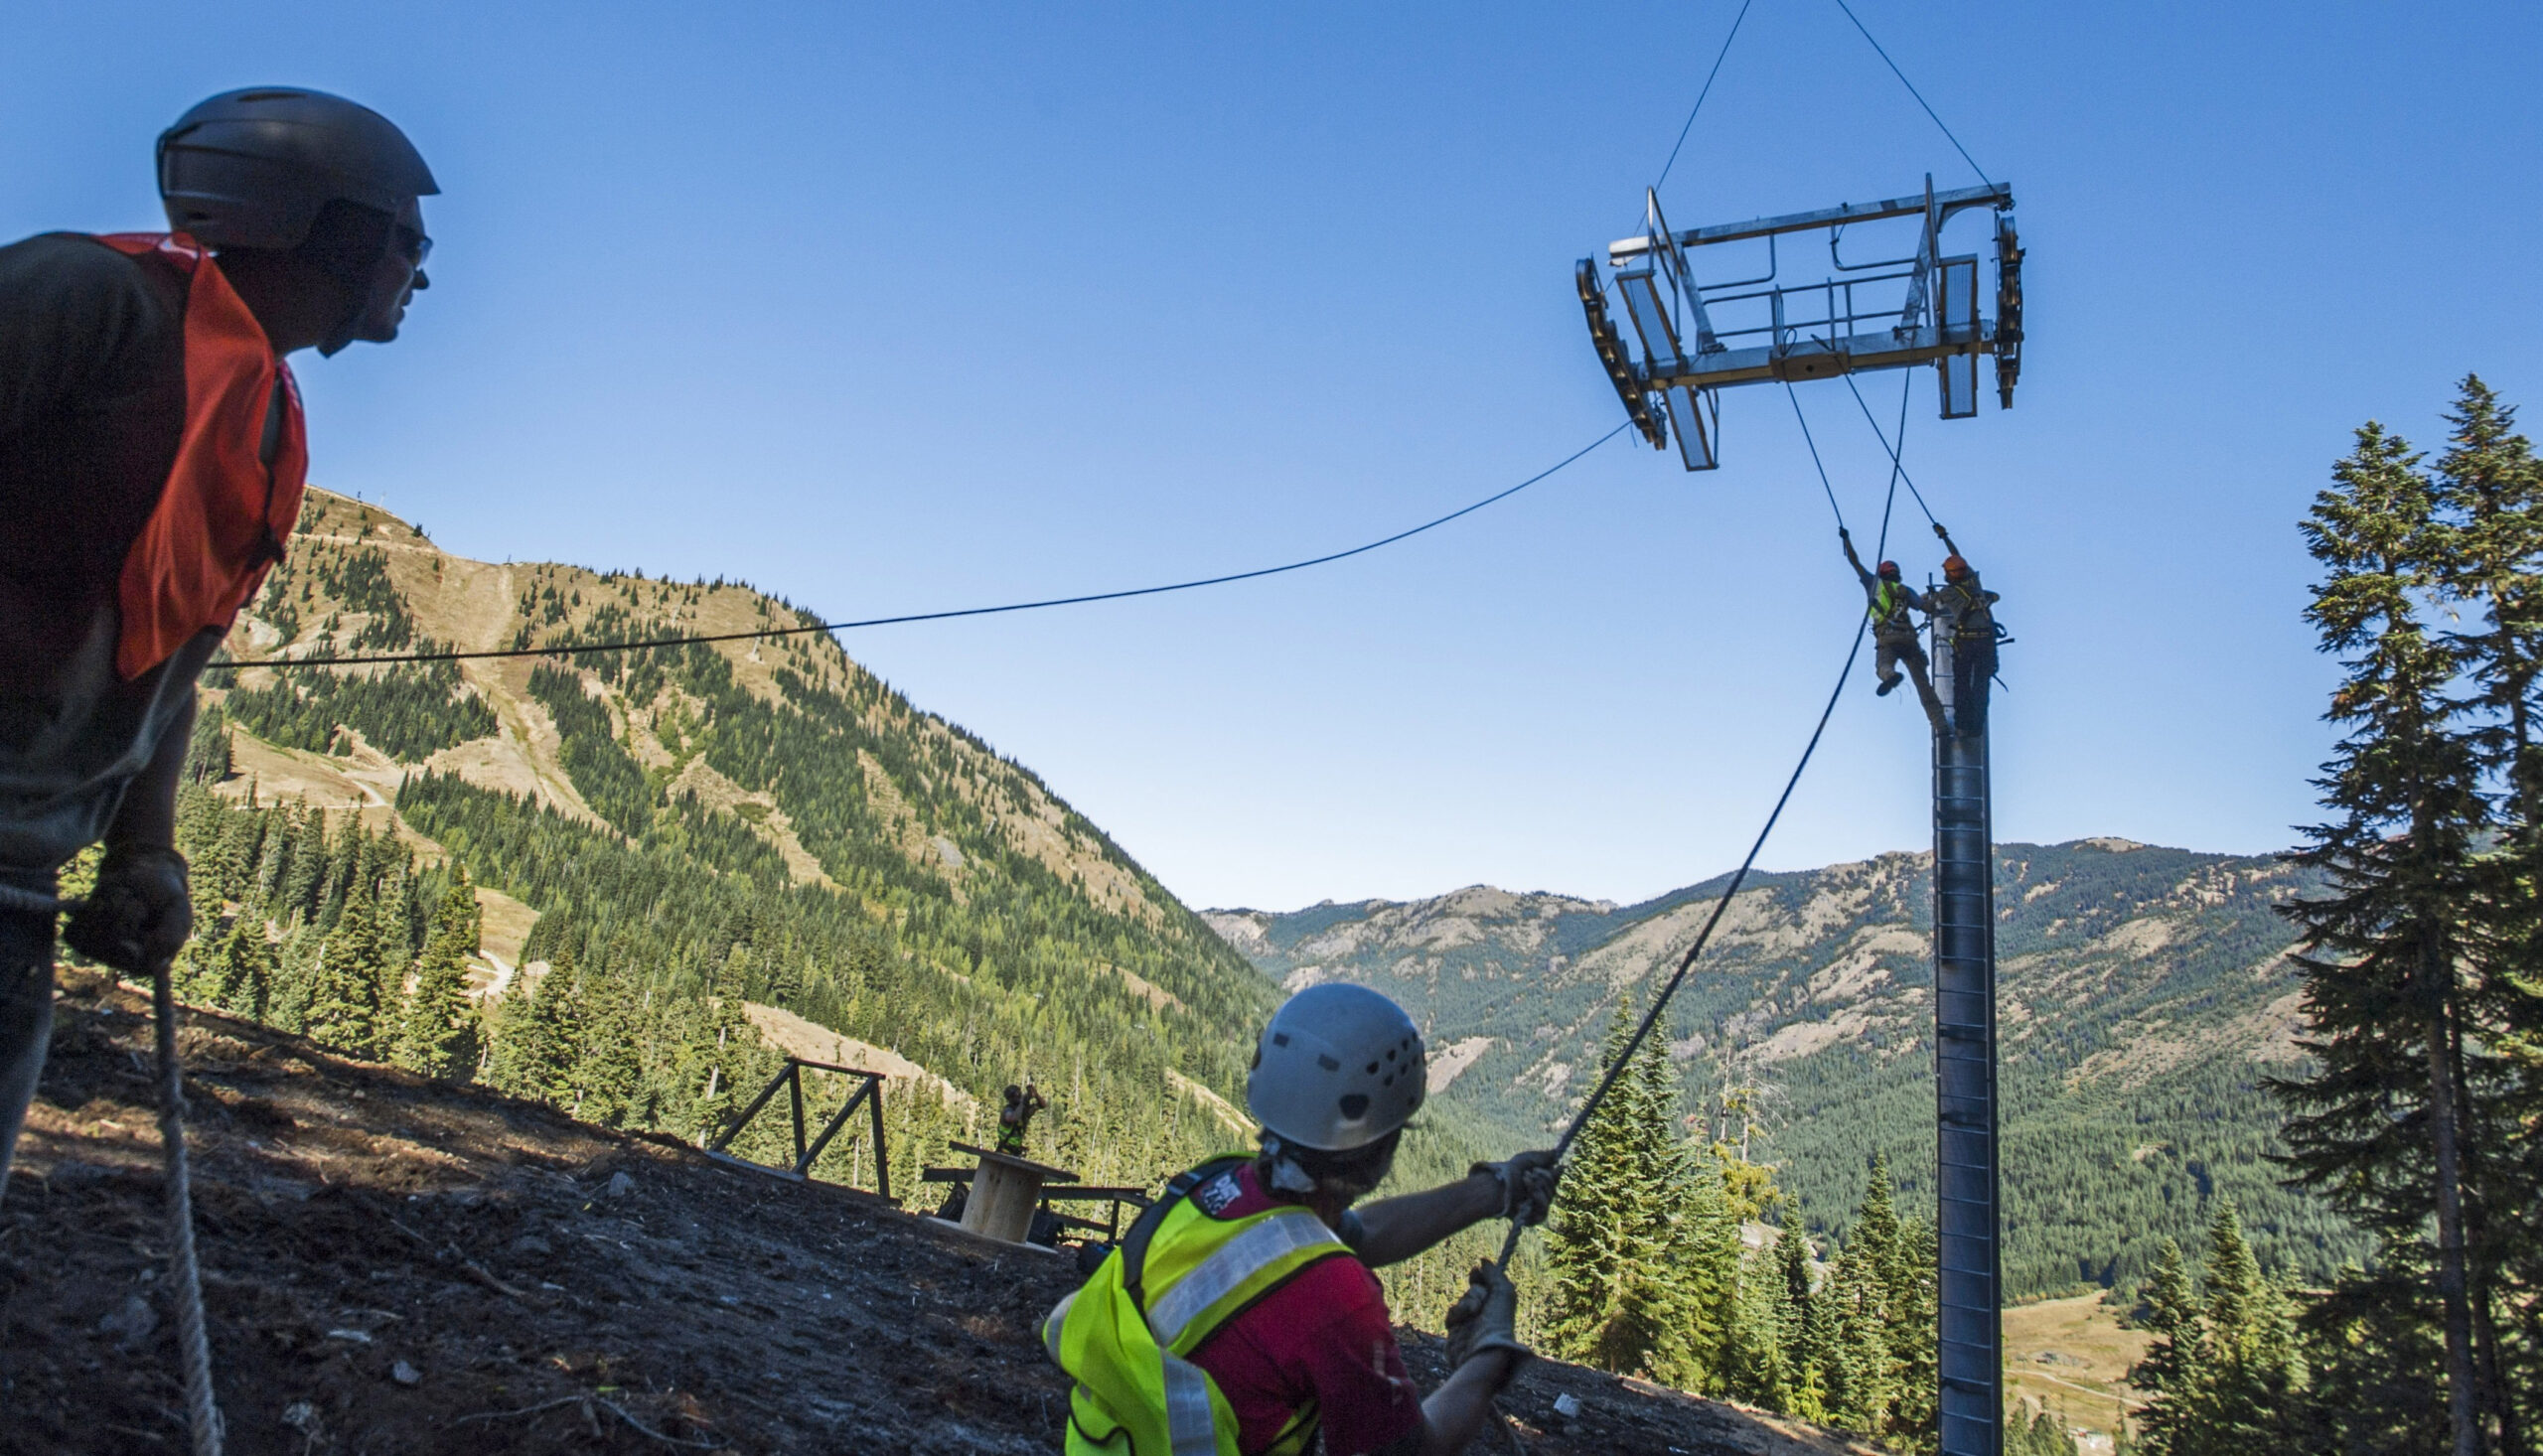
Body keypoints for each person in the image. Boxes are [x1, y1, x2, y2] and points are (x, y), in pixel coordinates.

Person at [0, 87, 435, 1195]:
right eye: (401, 238)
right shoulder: (85, 296)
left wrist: (143, 849)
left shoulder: (265, 415)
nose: (416, 272)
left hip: (16, 889)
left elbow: (172, 658)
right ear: (317, 223)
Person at [1044, 983, 1560, 1456]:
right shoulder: (1339, 1297)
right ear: (1383, 1148)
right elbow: (1413, 1451)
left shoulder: (1211, 1185)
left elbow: (1356, 1236)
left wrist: (1494, 1191)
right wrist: (1491, 1358)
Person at [1838, 525, 1944, 732]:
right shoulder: (1906, 591)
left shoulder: (1873, 584)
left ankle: (1890, 675)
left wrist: (1846, 539)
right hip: (1909, 639)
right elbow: (1927, 608)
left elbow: (1854, 561)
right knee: (1924, 686)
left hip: (1887, 638)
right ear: (1897, 575)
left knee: (1883, 665)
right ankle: (1940, 724)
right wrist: (1936, 598)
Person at [1927, 522, 2003, 735]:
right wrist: (1944, 537)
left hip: (1966, 643)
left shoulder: (1949, 594)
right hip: (1986, 640)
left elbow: (1928, 607)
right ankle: (1975, 727)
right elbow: (1956, 555)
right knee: (1981, 685)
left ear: (1950, 575)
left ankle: (1962, 725)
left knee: (1961, 685)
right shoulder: (1973, 583)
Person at [998, 1081, 1048, 1156]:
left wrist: (1036, 1095)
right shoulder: (1007, 1110)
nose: (1019, 1096)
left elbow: (1042, 1105)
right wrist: (1022, 1102)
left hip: (1015, 1152)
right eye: (1017, 1095)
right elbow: (1012, 1118)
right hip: (1004, 1151)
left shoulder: (1023, 1112)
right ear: (1011, 1098)